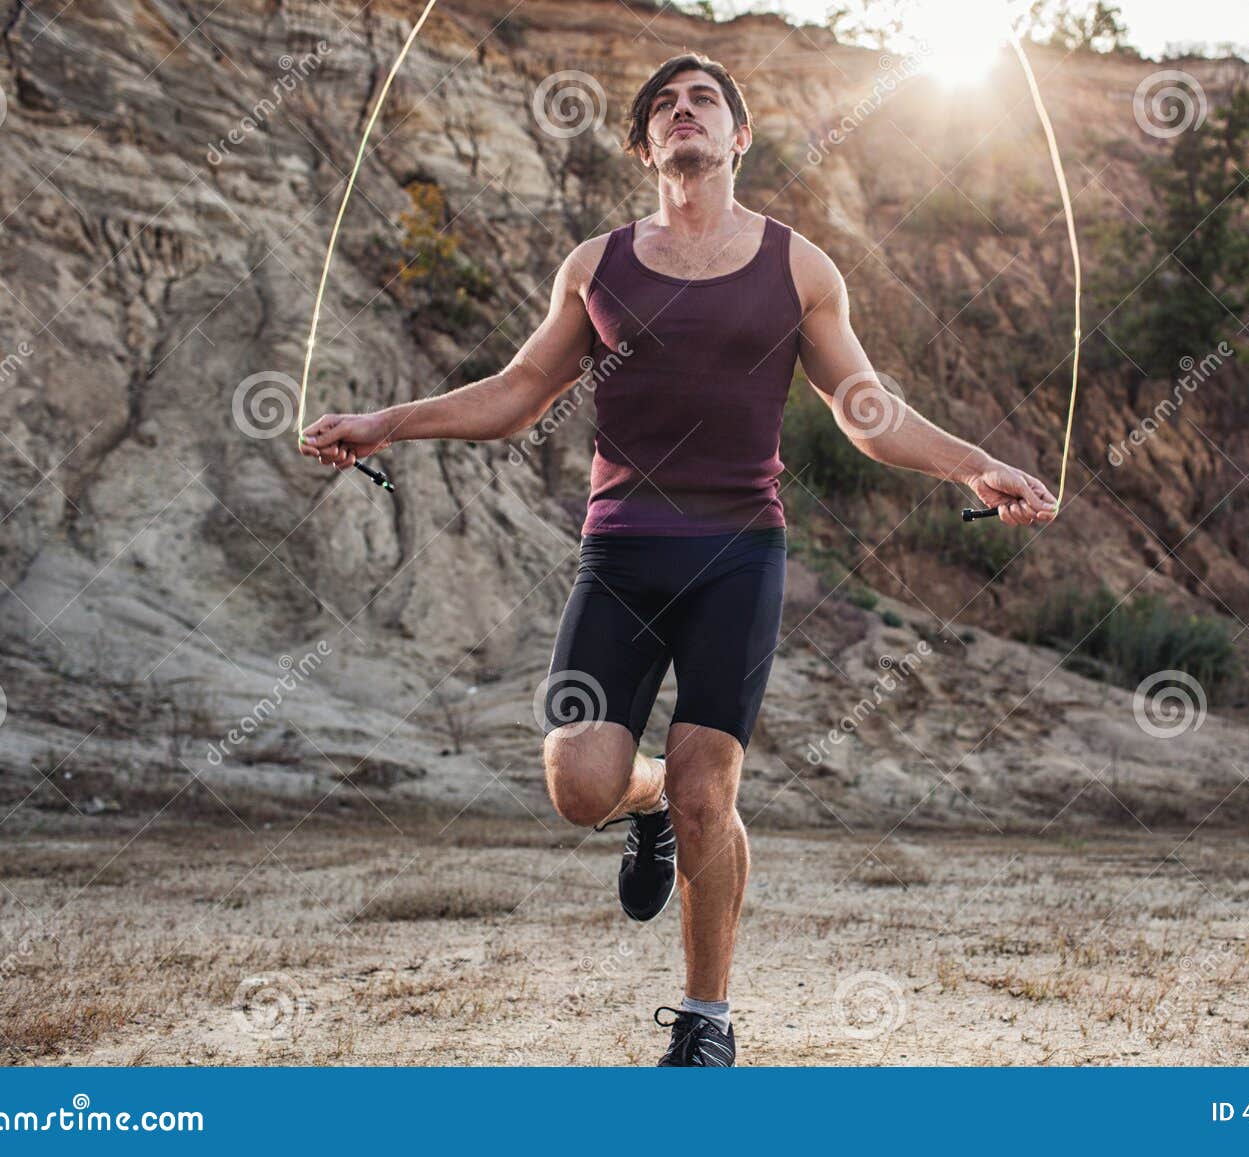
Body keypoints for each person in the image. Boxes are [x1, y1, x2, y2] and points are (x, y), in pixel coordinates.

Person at [299, 51, 1058, 1066]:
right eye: (664, 104)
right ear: (645, 144)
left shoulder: (798, 267)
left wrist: (974, 466)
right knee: (578, 780)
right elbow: (519, 391)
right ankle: (644, 800)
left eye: (704, 100)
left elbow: (865, 411)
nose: (684, 112)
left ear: (737, 136)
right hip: (619, 553)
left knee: (714, 791)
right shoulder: (596, 266)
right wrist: (388, 421)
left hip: (739, 554)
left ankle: (706, 1020)